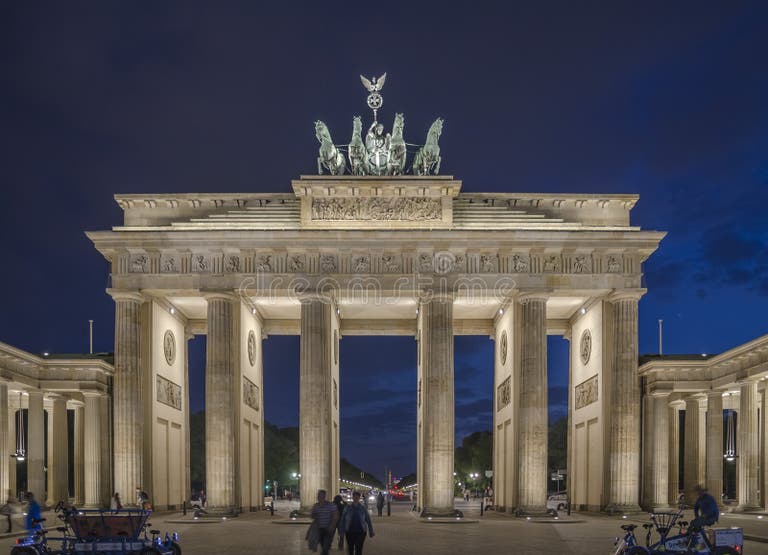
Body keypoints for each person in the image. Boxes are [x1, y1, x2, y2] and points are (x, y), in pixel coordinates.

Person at [310, 489, 339, 555]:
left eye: (320, 495)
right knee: (323, 546)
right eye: (318, 495)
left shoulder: (331, 505)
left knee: (325, 547)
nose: (319, 497)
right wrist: (314, 515)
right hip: (319, 530)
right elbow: (312, 516)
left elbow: (336, 515)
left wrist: (332, 525)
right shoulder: (315, 506)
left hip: (328, 529)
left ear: (324, 496)